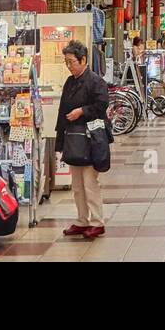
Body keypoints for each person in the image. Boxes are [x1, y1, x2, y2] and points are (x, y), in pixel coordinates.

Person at [56, 40, 109, 239]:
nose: (69, 66)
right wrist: (60, 139)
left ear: (83, 60)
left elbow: (101, 106)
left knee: (90, 182)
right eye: (66, 62)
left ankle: (97, 221)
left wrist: (81, 111)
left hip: (92, 140)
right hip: (73, 140)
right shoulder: (70, 82)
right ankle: (81, 220)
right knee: (77, 185)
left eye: (72, 62)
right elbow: (62, 111)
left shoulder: (96, 81)